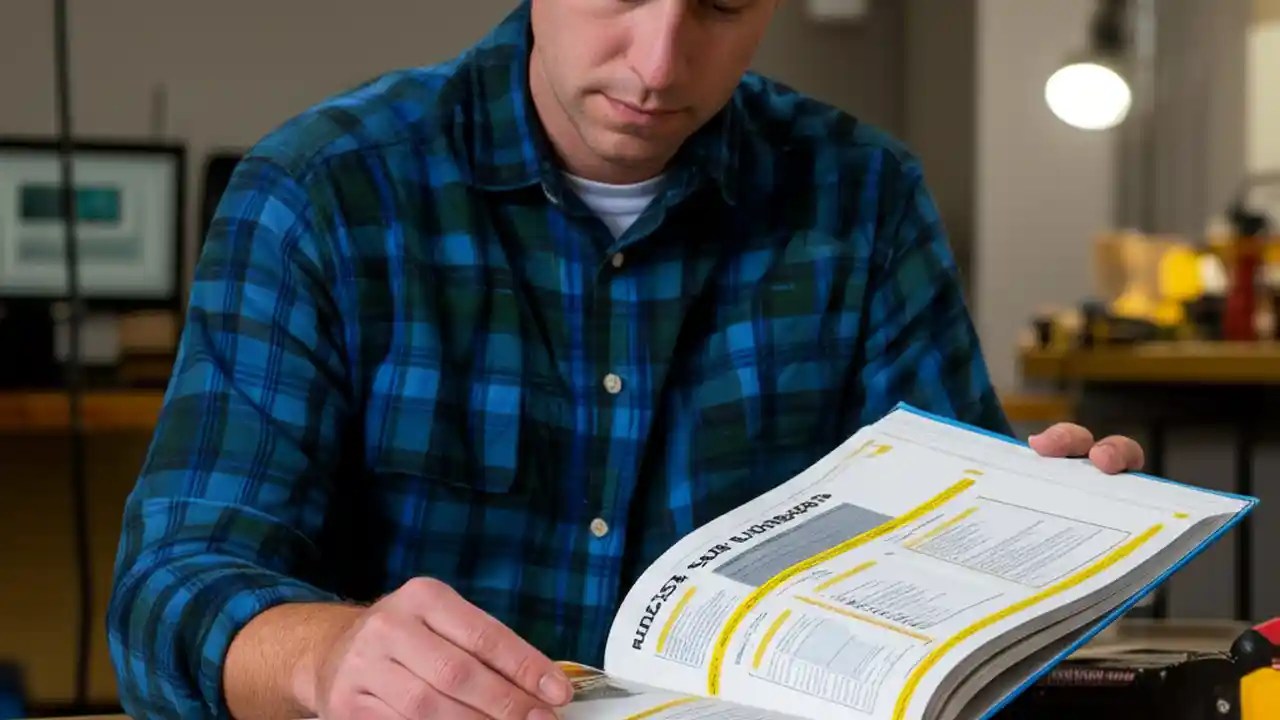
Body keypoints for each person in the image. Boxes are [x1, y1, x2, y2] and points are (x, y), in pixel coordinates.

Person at [107, 1, 1145, 718]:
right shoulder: (322, 193)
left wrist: (1026, 538)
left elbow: (929, 591)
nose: (658, 63)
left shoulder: (859, 199)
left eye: (719, 6)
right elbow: (168, 591)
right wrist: (325, 657)